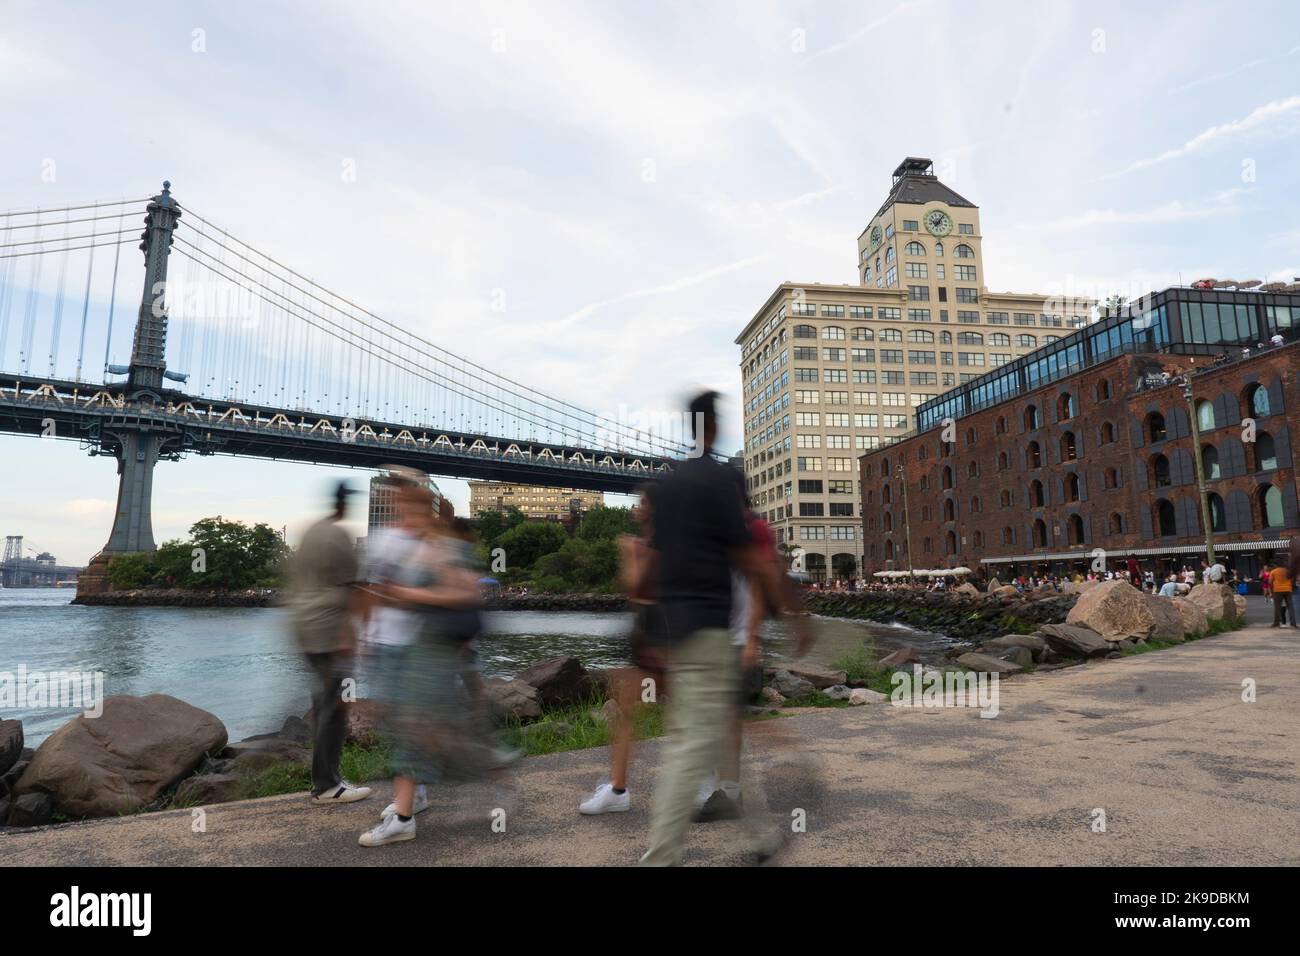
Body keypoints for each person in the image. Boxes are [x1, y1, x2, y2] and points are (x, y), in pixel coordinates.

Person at [636, 391, 812, 866]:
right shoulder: (722, 480)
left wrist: (643, 635)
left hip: (673, 629)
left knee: (710, 731)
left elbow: (650, 566)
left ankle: (760, 835)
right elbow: (750, 555)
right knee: (694, 743)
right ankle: (660, 858)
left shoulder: (666, 486)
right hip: (711, 630)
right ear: (714, 428)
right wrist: (793, 615)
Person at [358, 498, 510, 847]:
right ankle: (417, 803)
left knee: (418, 729)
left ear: (429, 515)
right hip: (417, 648)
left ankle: (406, 815)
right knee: (421, 729)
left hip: (433, 653)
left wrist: (407, 594)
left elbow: (461, 594)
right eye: (401, 512)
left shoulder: (444, 548)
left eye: (411, 512)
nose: (403, 517)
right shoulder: (421, 547)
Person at [579, 484, 668, 815]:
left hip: (656, 634)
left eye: (642, 503)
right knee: (630, 711)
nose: (636, 507)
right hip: (655, 633)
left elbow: (632, 584)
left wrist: (632, 552)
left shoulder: (642, 546)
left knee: (631, 713)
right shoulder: (676, 547)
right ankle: (617, 789)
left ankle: (619, 790)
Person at [284, 482, 372, 806]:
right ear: (346, 504)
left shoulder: (311, 532)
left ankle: (323, 780)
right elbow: (355, 588)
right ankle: (327, 785)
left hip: (304, 627)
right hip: (331, 631)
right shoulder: (339, 536)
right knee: (335, 707)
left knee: (324, 703)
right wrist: (352, 636)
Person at [1269, 561, 1295, 628]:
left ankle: (1276, 623)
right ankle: (1293, 623)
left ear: (1276, 565)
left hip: (1277, 590)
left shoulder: (1273, 571)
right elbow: (1292, 580)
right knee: (1290, 607)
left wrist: (1271, 591)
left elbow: (1270, 582)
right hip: (1288, 590)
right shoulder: (1288, 571)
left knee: (1277, 608)